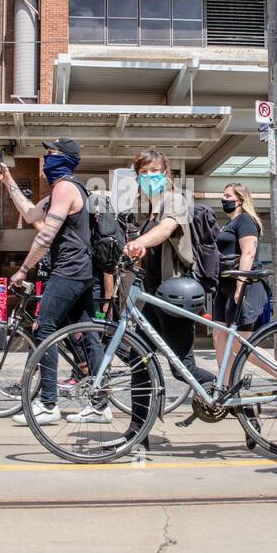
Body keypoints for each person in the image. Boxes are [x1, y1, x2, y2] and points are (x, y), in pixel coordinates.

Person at [0, 138, 104, 426]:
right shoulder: (66, 189)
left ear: (64, 158)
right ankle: (101, 404)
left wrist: (23, 269)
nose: (46, 158)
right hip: (82, 269)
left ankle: (48, 403)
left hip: (69, 269)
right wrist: (8, 180)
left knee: (45, 327)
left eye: (51, 153)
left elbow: (45, 236)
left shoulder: (65, 188)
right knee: (88, 333)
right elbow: (30, 213)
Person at [120, 147, 216, 444]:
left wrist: (139, 242)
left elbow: (166, 230)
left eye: (154, 171)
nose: (149, 177)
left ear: (167, 174)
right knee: (139, 360)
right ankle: (138, 430)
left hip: (175, 295)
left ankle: (232, 393)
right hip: (152, 296)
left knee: (181, 368)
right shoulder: (144, 209)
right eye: (143, 173)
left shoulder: (175, 200)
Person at [211, 182, 268, 370]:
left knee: (241, 344)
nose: (223, 199)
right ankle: (225, 388)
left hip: (242, 285)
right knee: (219, 337)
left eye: (228, 196)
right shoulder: (230, 223)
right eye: (223, 195)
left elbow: (249, 253)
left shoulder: (245, 220)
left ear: (240, 200)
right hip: (225, 286)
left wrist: (240, 285)